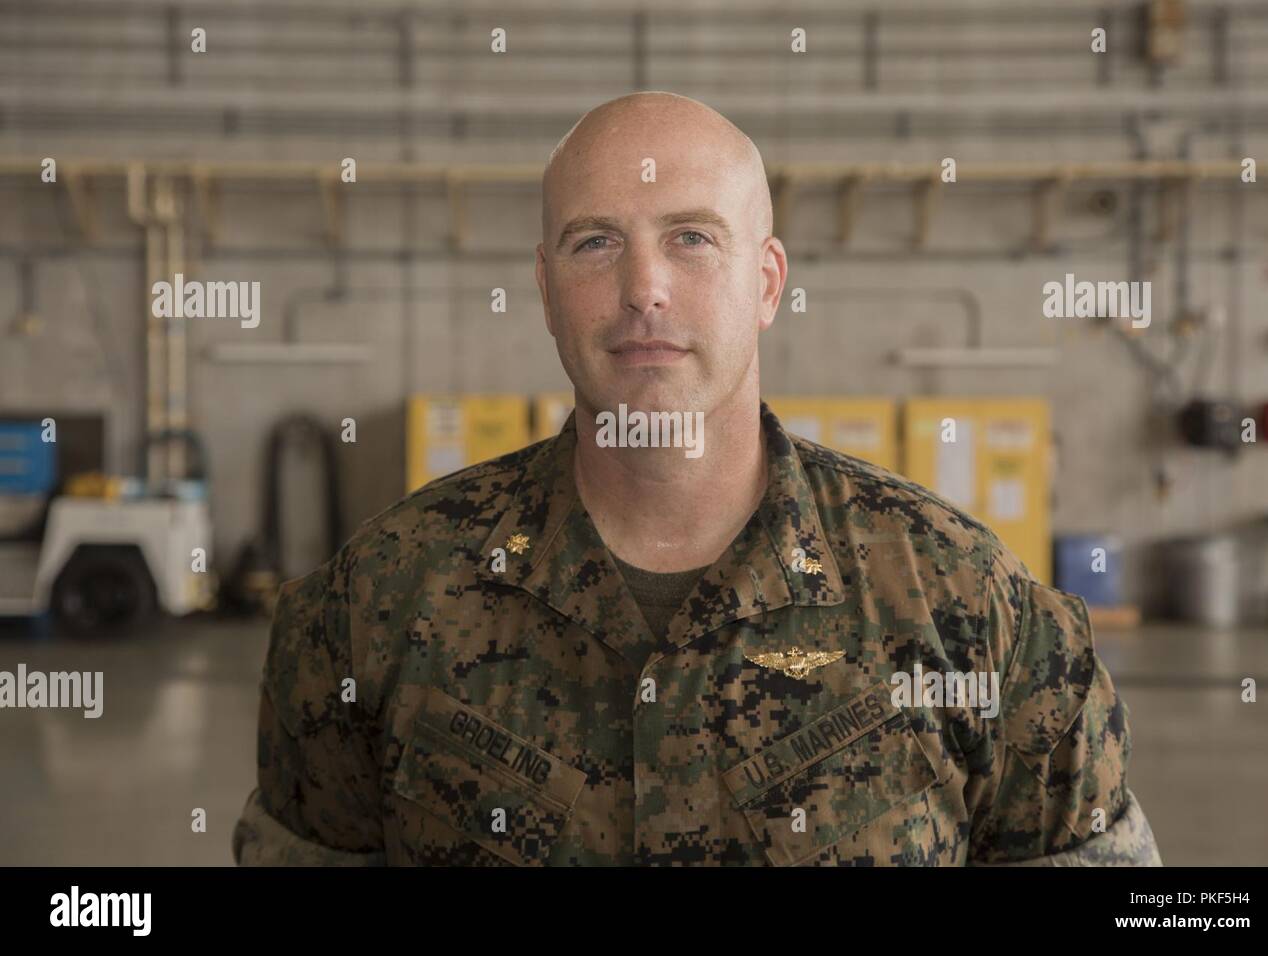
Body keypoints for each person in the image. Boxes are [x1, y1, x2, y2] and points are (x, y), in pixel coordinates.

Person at [232, 91, 1161, 866]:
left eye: (691, 238)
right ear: (547, 293)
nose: (645, 287)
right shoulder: (379, 601)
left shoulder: (965, 603)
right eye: (595, 242)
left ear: (766, 283)